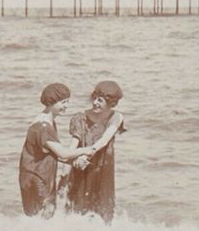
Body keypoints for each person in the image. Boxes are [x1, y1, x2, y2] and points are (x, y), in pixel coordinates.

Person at [19, 83, 96, 217]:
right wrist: (87, 150)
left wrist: (73, 161)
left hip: (38, 175)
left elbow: (52, 154)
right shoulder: (43, 126)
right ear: (51, 102)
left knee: (39, 217)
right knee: (43, 216)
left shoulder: (47, 121)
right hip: (37, 178)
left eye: (67, 102)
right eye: (63, 102)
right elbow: (62, 153)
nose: (66, 106)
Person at [64, 80, 125, 223]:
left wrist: (86, 154)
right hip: (80, 165)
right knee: (77, 209)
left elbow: (103, 141)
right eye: (94, 98)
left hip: (102, 167)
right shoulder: (79, 118)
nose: (95, 103)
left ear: (111, 103)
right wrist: (65, 170)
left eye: (100, 100)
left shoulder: (116, 117)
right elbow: (73, 145)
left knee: (103, 209)